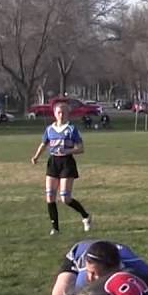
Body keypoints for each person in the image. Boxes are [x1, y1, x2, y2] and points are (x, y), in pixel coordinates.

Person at [30, 100, 93, 235]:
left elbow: (81, 148)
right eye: (59, 112)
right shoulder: (50, 129)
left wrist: (68, 151)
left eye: (64, 112)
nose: (61, 115)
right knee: (50, 196)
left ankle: (86, 216)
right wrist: (36, 157)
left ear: (68, 114)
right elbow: (44, 144)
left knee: (65, 198)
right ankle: (55, 228)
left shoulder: (71, 129)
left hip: (67, 163)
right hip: (53, 162)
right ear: (54, 113)